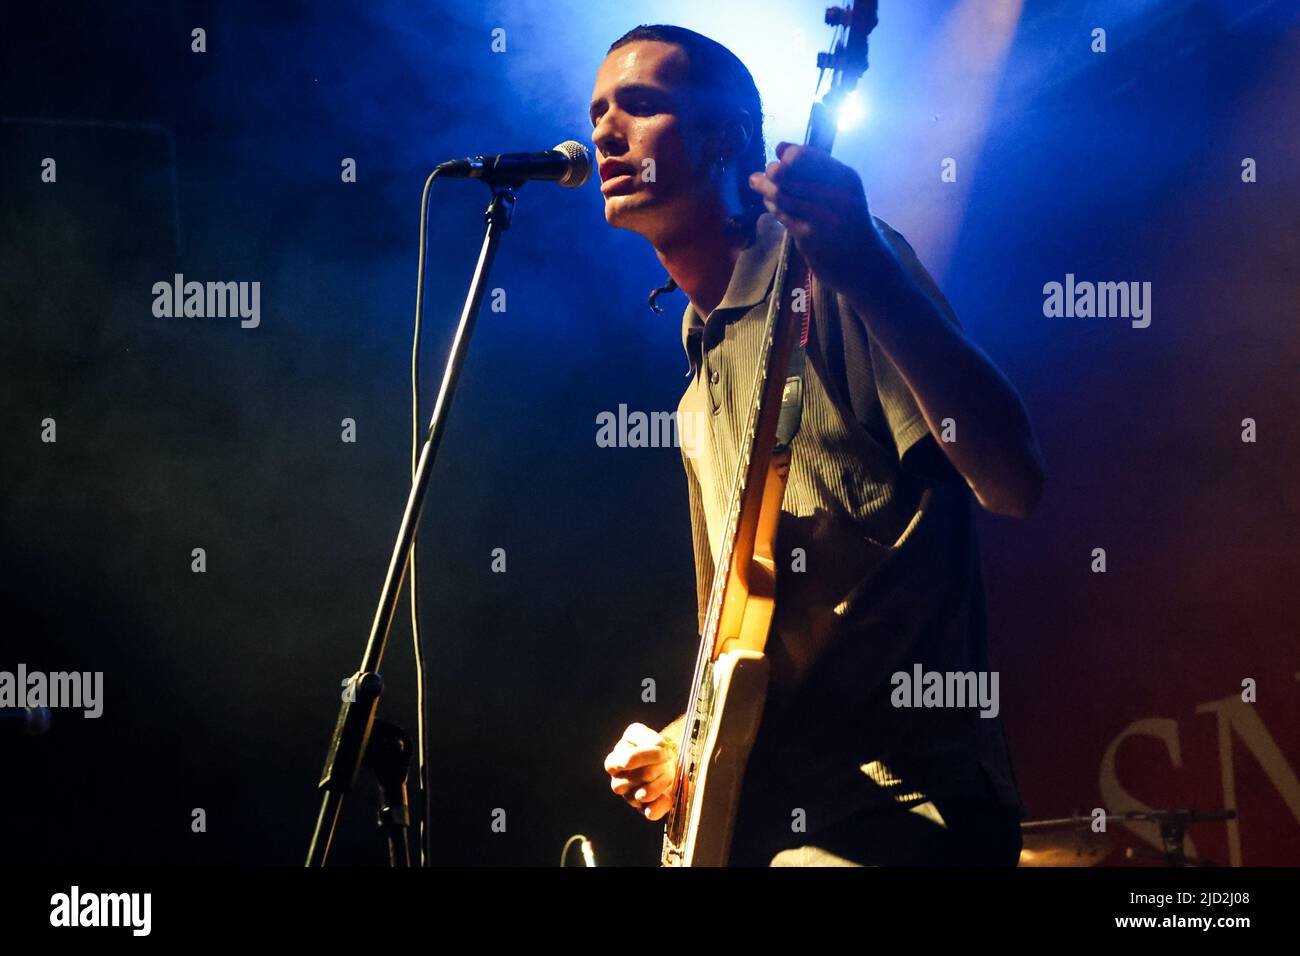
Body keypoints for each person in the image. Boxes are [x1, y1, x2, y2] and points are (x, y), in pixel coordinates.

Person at [593, 24, 1045, 866]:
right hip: (763, 822)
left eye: (642, 105)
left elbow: (1014, 478)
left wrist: (866, 267)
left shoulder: (834, 276)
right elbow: (746, 635)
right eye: (598, 112)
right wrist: (683, 742)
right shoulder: (697, 390)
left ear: (726, 138)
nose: (605, 133)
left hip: (896, 810)